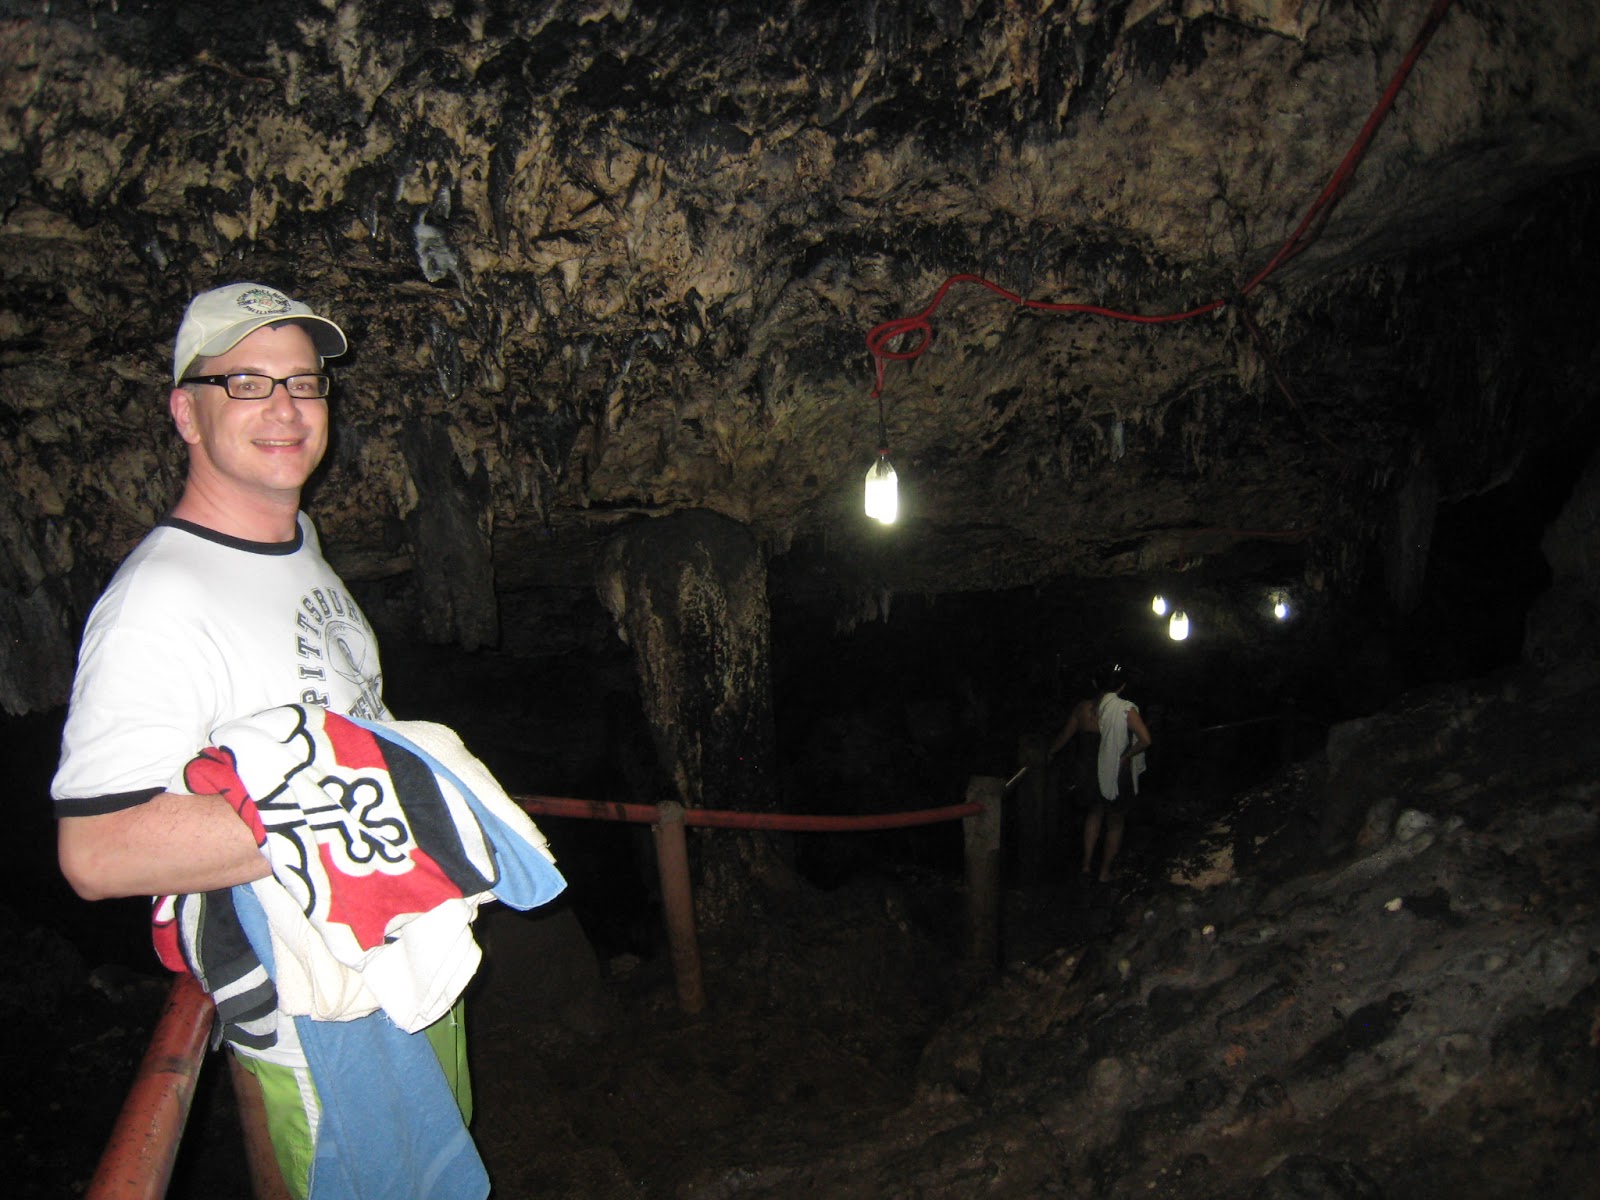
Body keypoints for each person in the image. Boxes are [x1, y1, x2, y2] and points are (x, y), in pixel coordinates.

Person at [50, 283, 475, 1198]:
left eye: (304, 382)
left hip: (401, 954)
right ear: (185, 412)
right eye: (244, 382)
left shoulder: (299, 541)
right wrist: (357, 803)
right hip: (318, 1023)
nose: (284, 408)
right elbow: (95, 851)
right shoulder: (157, 604)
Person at [1054, 664, 1153, 883]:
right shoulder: (1123, 709)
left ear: (1094, 684)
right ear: (1122, 686)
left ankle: (1087, 865)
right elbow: (1146, 739)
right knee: (1115, 822)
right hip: (1115, 769)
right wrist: (1127, 755)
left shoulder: (1082, 709)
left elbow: (1064, 737)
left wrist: (1049, 753)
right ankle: (1105, 872)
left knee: (1094, 814)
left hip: (1088, 771)